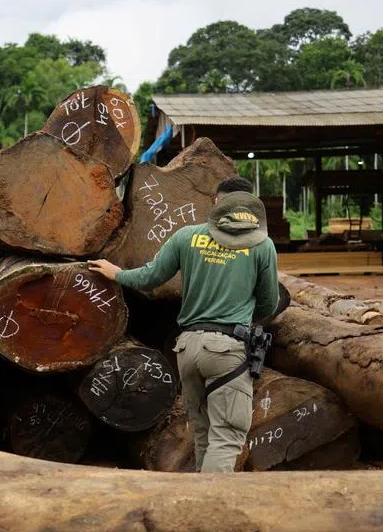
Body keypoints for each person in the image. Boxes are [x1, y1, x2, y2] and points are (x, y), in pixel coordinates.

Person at [89, 177, 279, 473]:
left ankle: (199, 495)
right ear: (249, 206)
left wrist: (117, 274)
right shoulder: (261, 245)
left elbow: (150, 278)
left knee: (202, 433)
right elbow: (269, 303)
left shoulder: (187, 237)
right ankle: (211, 499)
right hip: (228, 351)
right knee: (226, 437)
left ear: (217, 202)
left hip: (187, 349)